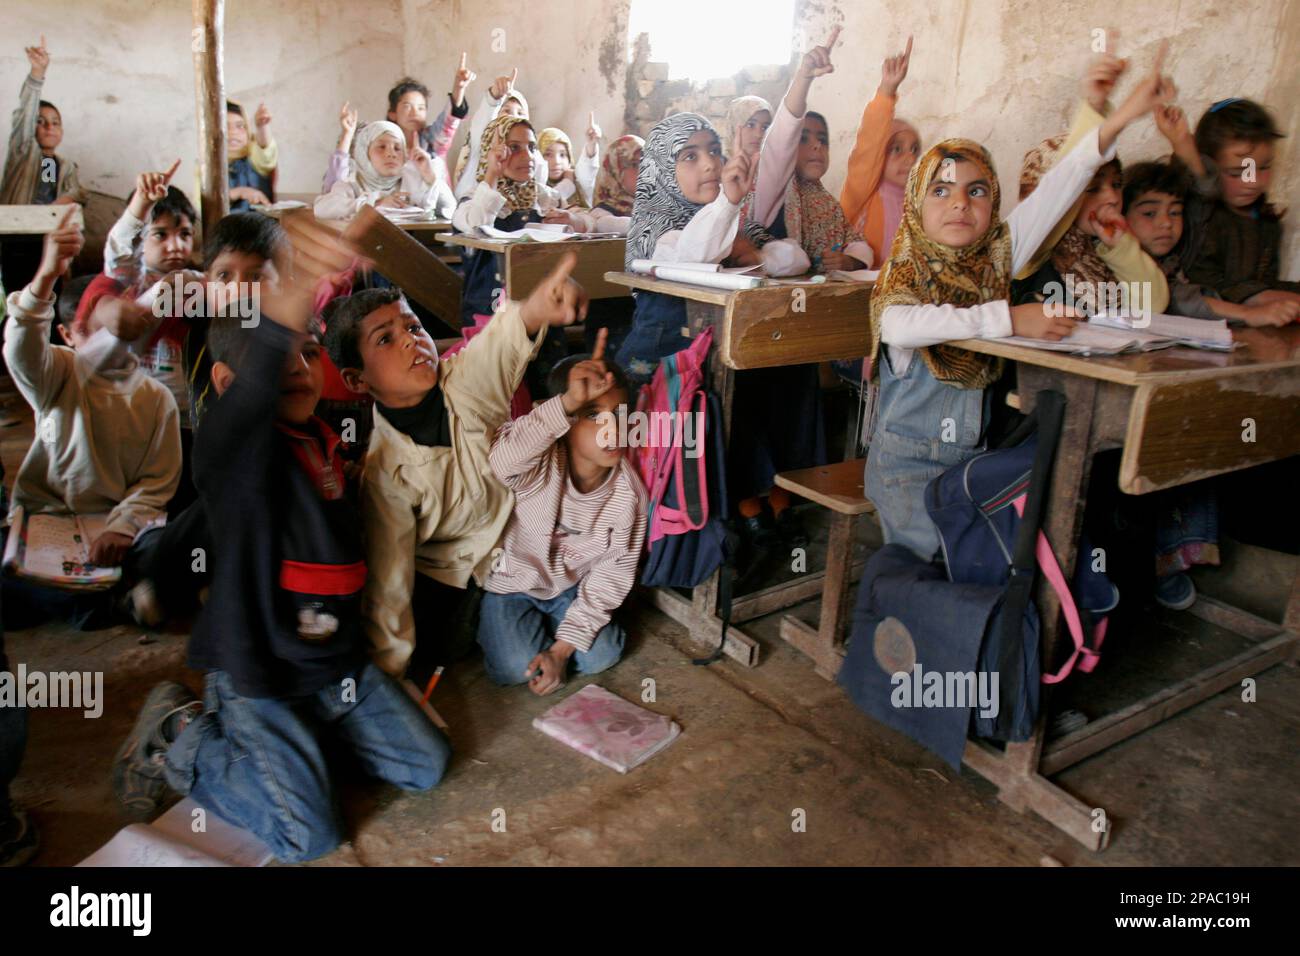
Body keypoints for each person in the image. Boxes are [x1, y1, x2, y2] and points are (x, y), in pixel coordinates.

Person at [111, 218, 450, 862]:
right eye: (277, 357)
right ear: (224, 383)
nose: (295, 368)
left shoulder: (326, 442)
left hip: (333, 669)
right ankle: (178, 731)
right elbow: (255, 391)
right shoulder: (233, 451)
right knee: (309, 835)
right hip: (260, 675)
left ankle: (307, 743)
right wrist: (289, 304)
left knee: (426, 765)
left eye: (307, 353)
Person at [323, 252, 589, 680]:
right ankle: (504, 618)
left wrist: (540, 305)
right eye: (386, 340)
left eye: (413, 326)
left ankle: (531, 612)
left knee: (600, 648)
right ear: (357, 381)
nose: (411, 340)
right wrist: (393, 675)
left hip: (520, 539)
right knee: (481, 656)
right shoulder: (385, 474)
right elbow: (390, 583)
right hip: (456, 572)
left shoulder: (464, 381)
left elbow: (502, 338)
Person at [478, 331, 648, 694]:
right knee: (513, 668)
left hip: (571, 587)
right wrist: (569, 400)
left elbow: (612, 574)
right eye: (592, 415)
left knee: (602, 655)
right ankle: (514, 631)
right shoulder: (538, 462)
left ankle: (555, 641)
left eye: (620, 414)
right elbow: (500, 461)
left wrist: (560, 649)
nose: (612, 429)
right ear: (566, 421)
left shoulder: (628, 494)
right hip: (511, 583)